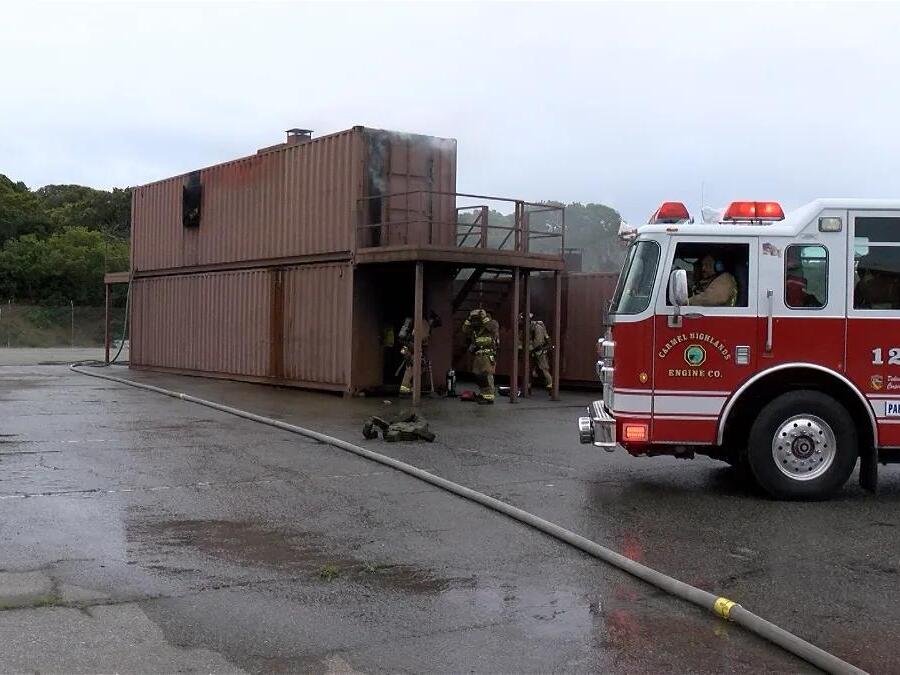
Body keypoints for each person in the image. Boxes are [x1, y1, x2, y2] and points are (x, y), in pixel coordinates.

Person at [398, 311, 441, 396]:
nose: (434, 326)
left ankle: (411, 388)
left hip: (410, 348)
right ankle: (405, 390)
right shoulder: (425, 325)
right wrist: (419, 353)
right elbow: (418, 340)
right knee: (413, 368)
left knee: (415, 368)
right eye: (434, 324)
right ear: (432, 320)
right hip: (412, 349)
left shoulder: (422, 323)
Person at [462, 308, 499, 404]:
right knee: (478, 376)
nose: (476, 321)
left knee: (487, 375)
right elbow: (464, 329)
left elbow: (492, 327)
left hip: (488, 354)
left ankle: (489, 397)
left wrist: (483, 316)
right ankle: (483, 394)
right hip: (478, 355)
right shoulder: (475, 327)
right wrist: (469, 318)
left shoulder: (492, 323)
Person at [519, 313, 553, 391]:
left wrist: (528, 348)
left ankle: (551, 386)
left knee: (544, 369)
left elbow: (538, 342)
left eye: (522, 319)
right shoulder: (526, 327)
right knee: (529, 369)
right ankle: (528, 386)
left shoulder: (537, 327)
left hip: (538, 351)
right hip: (532, 351)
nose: (521, 321)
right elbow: (521, 339)